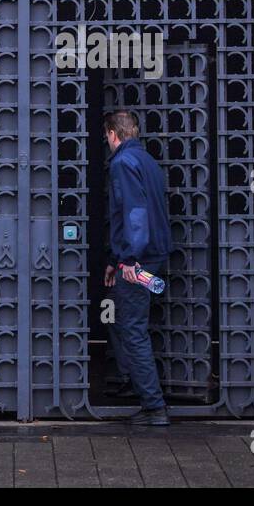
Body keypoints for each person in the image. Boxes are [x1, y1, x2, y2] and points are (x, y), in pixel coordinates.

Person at [101, 110, 173, 427]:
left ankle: (153, 406)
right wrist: (115, 260)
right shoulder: (148, 162)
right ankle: (133, 380)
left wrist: (129, 260)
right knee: (123, 320)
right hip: (149, 256)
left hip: (139, 260)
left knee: (132, 327)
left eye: (107, 136)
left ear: (113, 134)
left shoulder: (121, 164)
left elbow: (134, 213)